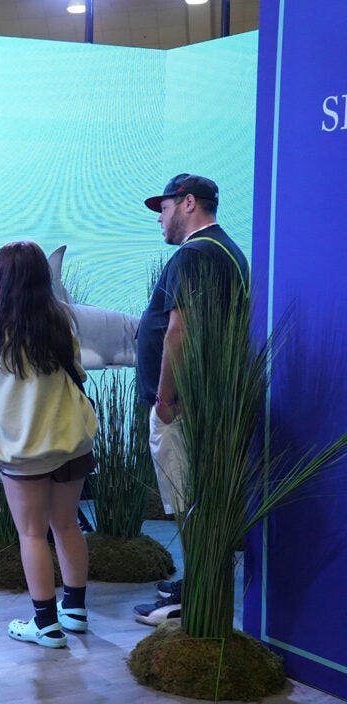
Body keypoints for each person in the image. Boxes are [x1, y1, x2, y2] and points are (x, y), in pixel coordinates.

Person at [0, 241, 98, 649]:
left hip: (23, 449)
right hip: (71, 443)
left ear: (6, 277)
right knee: (67, 524)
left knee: (31, 534)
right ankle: (74, 610)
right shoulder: (63, 321)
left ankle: (45, 625)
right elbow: (79, 372)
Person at [133, 174, 250, 626]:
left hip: (183, 405)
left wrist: (165, 398)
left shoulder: (197, 253)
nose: (159, 220)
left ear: (187, 203)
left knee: (188, 503)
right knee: (198, 499)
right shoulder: (229, 252)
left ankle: (189, 601)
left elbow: (180, 330)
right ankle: (192, 585)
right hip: (209, 402)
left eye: (162, 209)